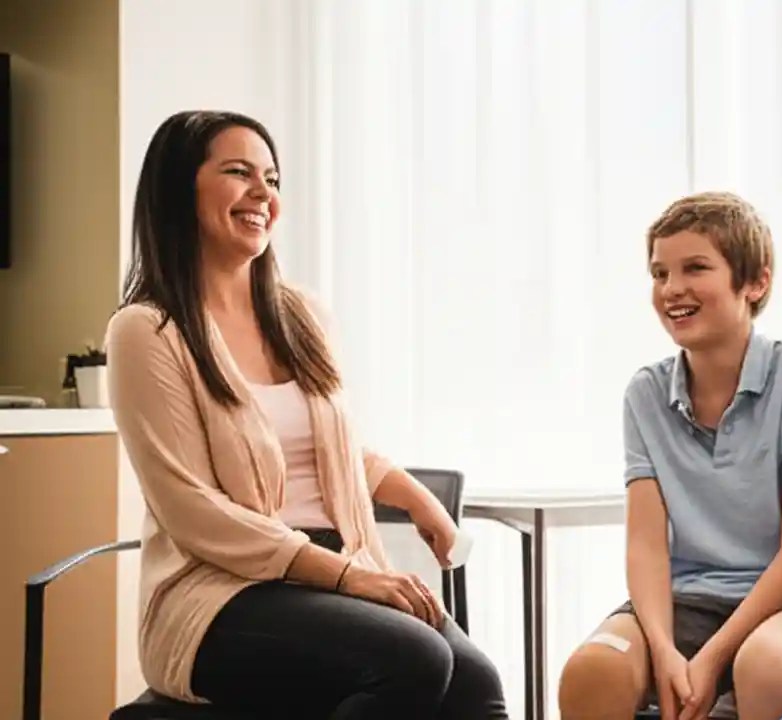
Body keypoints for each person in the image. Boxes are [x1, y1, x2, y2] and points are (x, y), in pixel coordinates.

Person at [107, 110, 507, 719]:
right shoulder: (148, 330)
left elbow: (334, 447)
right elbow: (190, 507)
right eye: (238, 173)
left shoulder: (300, 314)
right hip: (222, 596)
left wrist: (418, 501)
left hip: (335, 570)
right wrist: (348, 579)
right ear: (178, 189)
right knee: (414, 660)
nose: (262, 194)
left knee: (476, 680)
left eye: (272, 179)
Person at [557, 192, 782, 720]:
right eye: (659, 273)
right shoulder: (645, 393)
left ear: (755, 282)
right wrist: (664, 649)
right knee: (592, 670)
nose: (672, 290)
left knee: (767, 667)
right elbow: (647, 547)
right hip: (686, 600)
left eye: (695, 268)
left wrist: (717, 654)